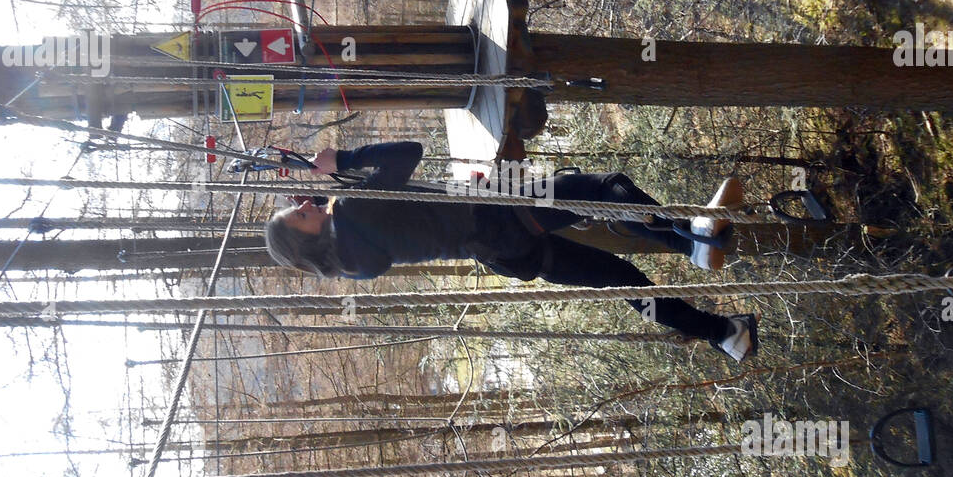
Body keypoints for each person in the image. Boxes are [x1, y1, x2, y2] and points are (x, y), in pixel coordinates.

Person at [263, 141, 758, 360]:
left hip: (502, 251)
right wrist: (343, 160)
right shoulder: (353, 209)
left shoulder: (350, 265)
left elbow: (409, 213)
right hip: (501, 216)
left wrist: (330, 193)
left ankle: (724, 334)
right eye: (301, 215)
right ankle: (691, 238)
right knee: (606, 189)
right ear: (307, 237)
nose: (307, 204)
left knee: (622, 280)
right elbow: (407, 153)